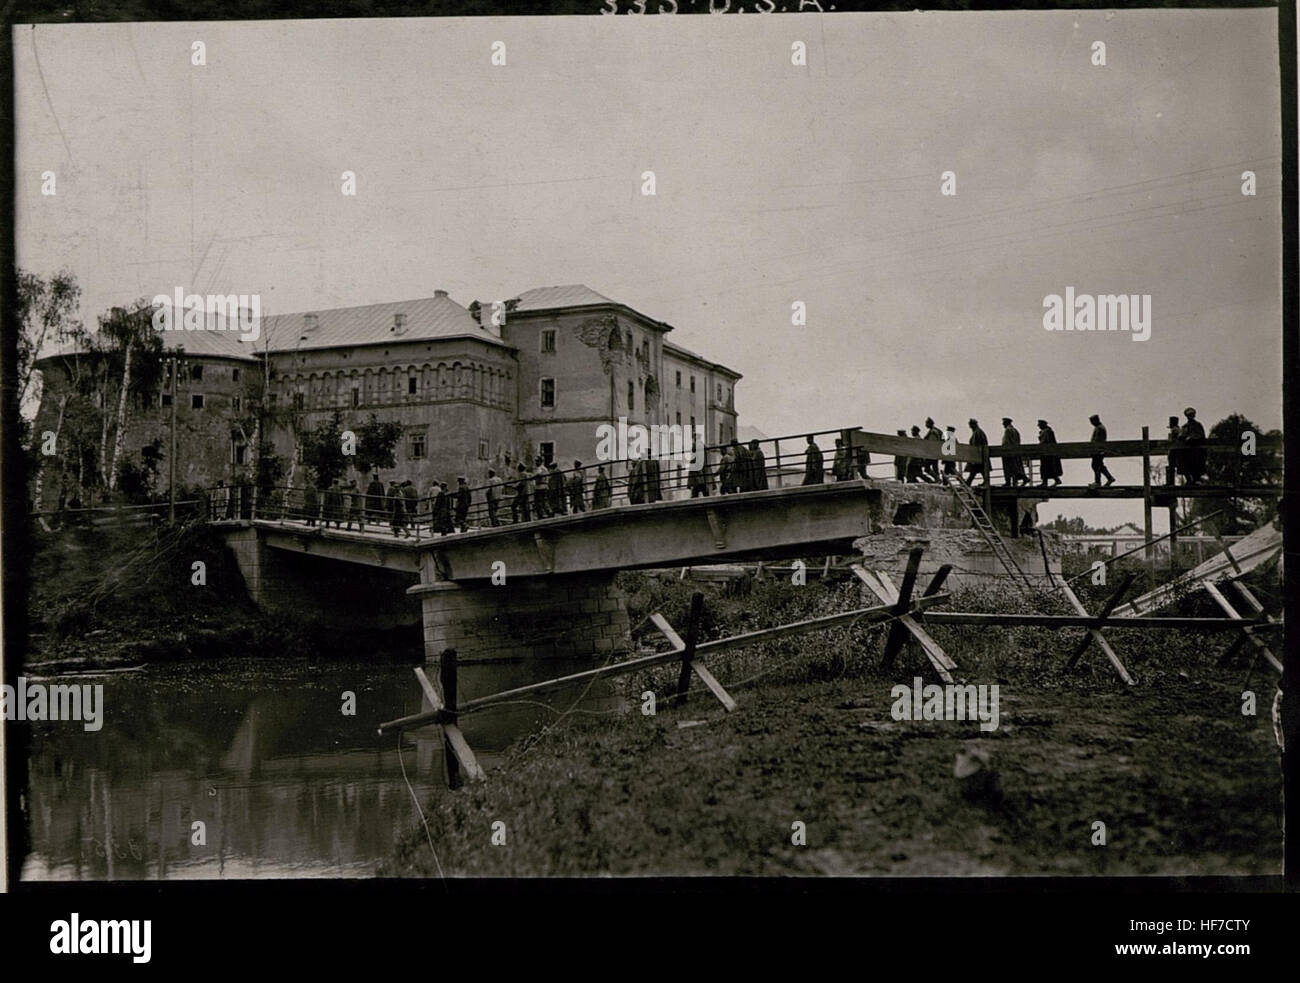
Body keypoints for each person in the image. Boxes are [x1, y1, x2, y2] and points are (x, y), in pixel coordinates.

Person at [1180, 407, 1207, 485]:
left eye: (1192, 415)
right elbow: (1181, 436)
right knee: (1184, 462)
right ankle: (1189, 480)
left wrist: (1192, 438)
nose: (1190, 417)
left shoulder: (1198, 425)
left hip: (1197, 450)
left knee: (1197, 463)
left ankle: (1196, 479)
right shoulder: (1185, 426)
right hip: (1187, 451)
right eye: (1189, 415)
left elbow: (1201, 435)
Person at [1088, 414, 1115, 487]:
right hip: (1098, 450)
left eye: (1092, 421)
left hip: (1098, 451)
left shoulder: (1100, 428)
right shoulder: (1099, 427)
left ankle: (1098, 482)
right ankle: (1109, 478)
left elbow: (1097, 441)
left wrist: (1093, 450)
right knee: (1099, 465)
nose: (1092, 423)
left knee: (1095, 465)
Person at [1000, 418, 1028, 487]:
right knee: (1015, 467)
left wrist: (1003, 450)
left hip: (1008, 453)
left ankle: (1009, 482)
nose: (1003, 424)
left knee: (1009, 468)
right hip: (1015, 452)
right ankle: (1015, 482)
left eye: (1004, 423)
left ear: (1006, 423)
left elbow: (1006, 442)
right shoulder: (1015, 430)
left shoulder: (1008, 430)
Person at [1036, 420, 1063, 487]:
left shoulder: (1046, 432)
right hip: (1048, 453)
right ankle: (1054, 480)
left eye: (1039, 424)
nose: (1038, 426)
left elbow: (1044, 442)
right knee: (1048, 468)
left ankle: (1046, 482)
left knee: (1046, 467)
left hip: (1047, 453)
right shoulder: (1048, 431)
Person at [965, 419, 989, 485]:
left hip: (978, 455)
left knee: (975, 470)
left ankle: (968, 482)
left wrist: (975, 455)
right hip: (978, 455)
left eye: (970, 425)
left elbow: (976, 445)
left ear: (974, 425)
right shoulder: (977, 432)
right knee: (976, 470)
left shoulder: (978, 432)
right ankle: (969, 482)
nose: (970, 427)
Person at [924, 418, 943, 483]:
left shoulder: (933, 432)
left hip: (932, 453)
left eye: (926, 423)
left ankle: (937, 479)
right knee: (935, 468)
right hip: (936, 453)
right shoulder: (936, 430)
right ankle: (937, 480)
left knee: (927, 468)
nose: (925, 425)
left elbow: (933, 443)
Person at [1165, 416, 1182, 487]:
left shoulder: (1175, 430)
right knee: (1176, 466)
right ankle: (1171, 482)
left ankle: (1171, 482)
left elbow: (1173, 441)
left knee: (1172, 466)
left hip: (1174, 450)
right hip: (1175, 450)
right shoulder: (1179, 430)